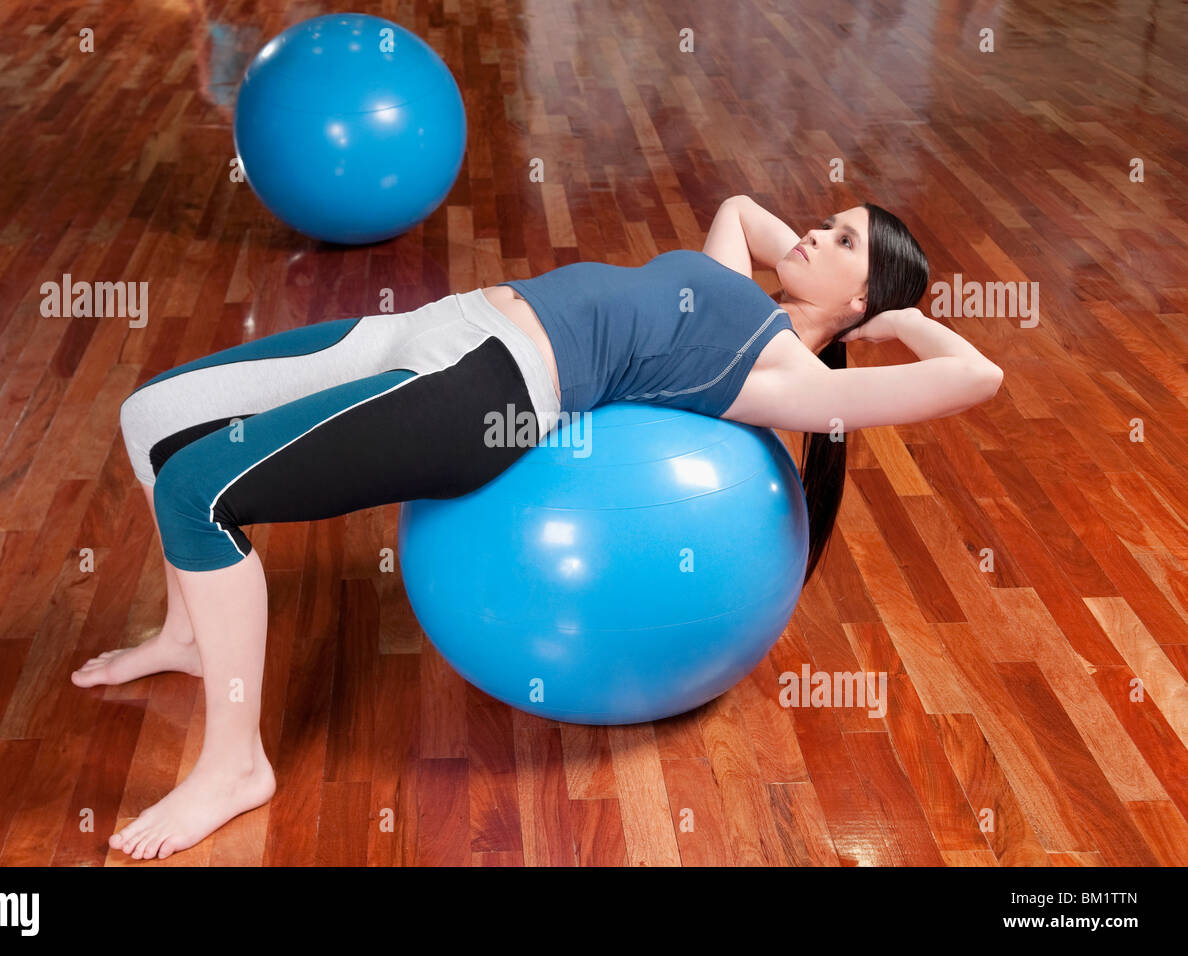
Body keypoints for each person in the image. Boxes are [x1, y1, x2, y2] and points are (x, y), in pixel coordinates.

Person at [73, 198, 1002, 860]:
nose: (810, 230)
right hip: (448, 323)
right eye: (828, 218)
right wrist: (828, 274)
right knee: (150, 418)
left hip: (487, 395)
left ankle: (234, 765)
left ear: (863, 296)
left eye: (842, 239)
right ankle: (191, 635)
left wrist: (897, 321)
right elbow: (742, 208)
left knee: (200, 488)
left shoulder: (793, 381)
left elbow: (978, 379)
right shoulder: (734, 289)